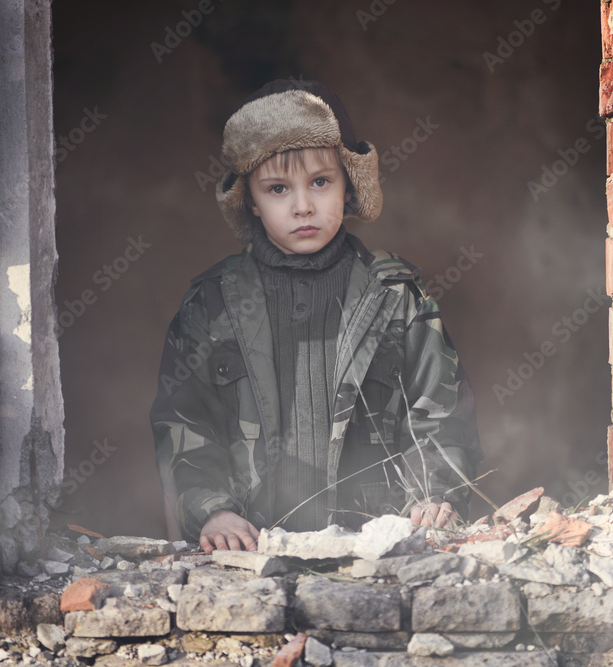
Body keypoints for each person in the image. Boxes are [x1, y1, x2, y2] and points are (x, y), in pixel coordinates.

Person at [151, 79, 482, 555]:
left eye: (320, 182)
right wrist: (212, 511)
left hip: (378, 550)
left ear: (348, 185)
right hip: (252, 553)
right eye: (278, 188)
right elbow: (183, 421)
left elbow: (443, 413)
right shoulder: (211, 305)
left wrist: (433, 494)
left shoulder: (395, 295)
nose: (302, 205)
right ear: (250, 199)